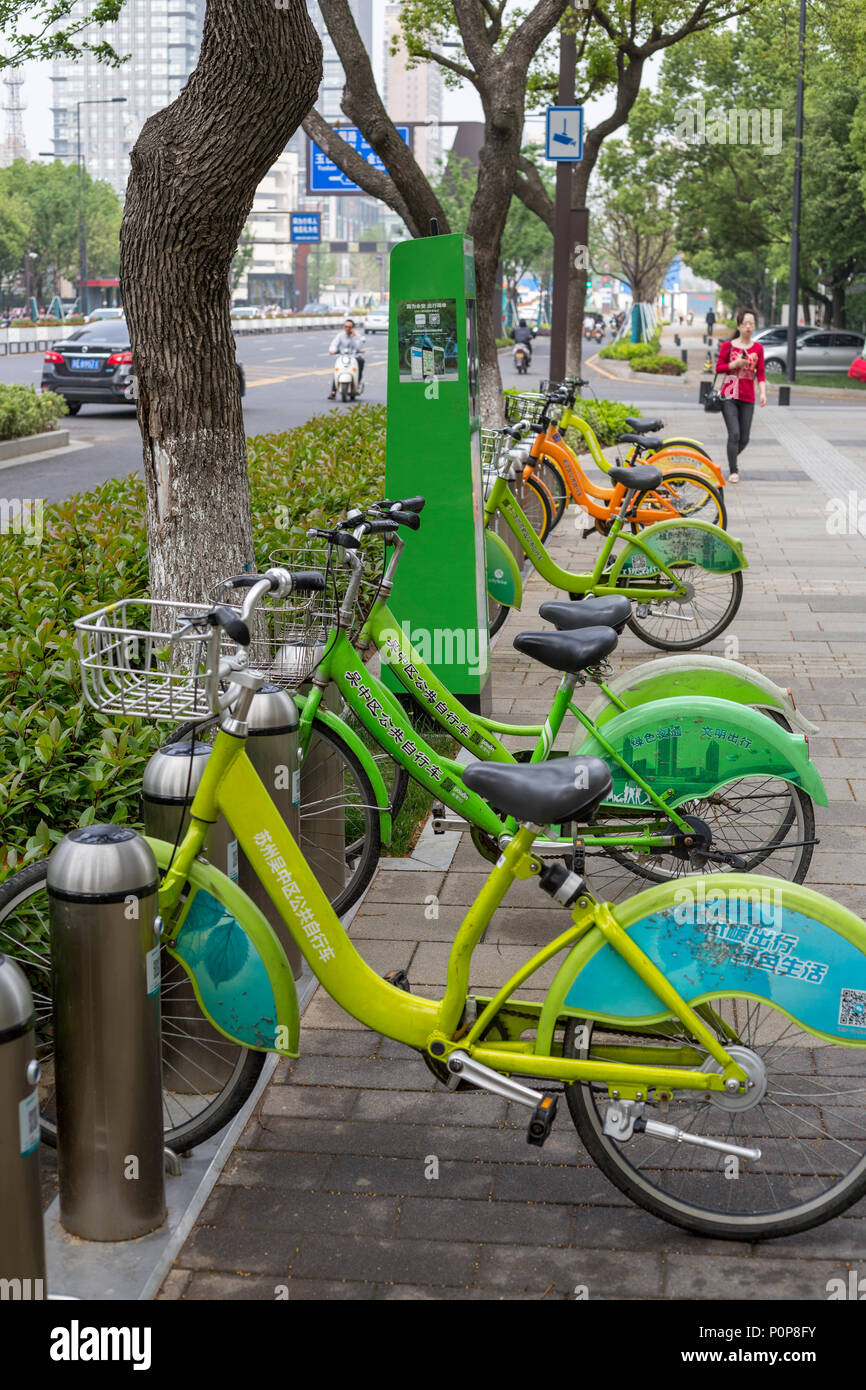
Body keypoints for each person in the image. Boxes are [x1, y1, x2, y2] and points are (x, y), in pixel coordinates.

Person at [714, 307, 766, 483]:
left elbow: (761, 373)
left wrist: (763, 394)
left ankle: (731, 458)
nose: (749, 327)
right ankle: (733, 470)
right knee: (734, 434)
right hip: (729, 394)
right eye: (746, 323)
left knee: (744, 438)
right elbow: (718, 367)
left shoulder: (758, 348)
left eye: (752, 323)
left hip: (748, 397)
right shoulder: (729, 346)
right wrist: (733, 364)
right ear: (739, 325)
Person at [327, 318, 366, 399]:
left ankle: (357, 383)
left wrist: (353, 337)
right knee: (338, 370)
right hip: (343, 357)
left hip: (354, 357)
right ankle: (333, 391)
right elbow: (334, 344)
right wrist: (332, 350)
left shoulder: (357, 336)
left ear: (353, 328)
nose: (347, 329)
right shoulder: (340, 335)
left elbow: (359, 346)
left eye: (349, 327)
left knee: (361, 361)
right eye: (345, 327)